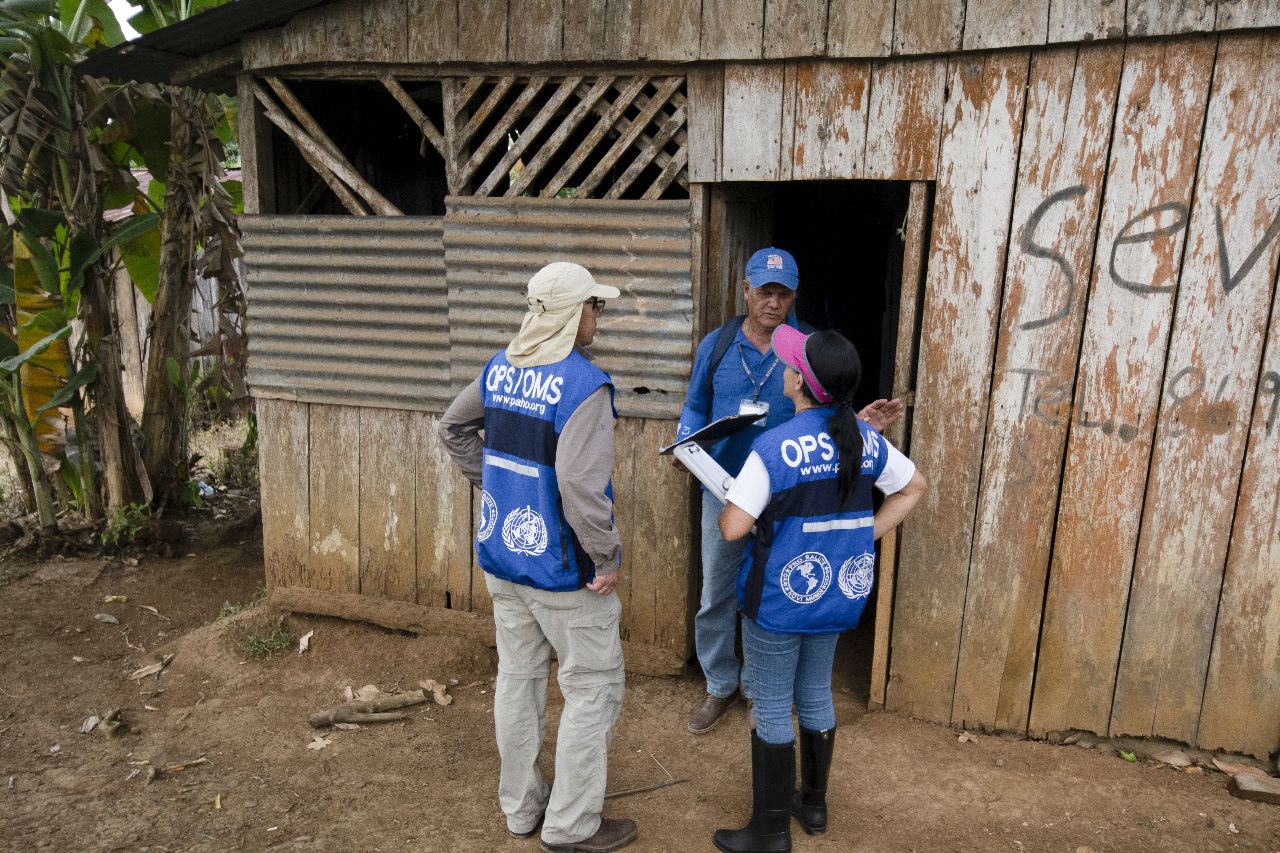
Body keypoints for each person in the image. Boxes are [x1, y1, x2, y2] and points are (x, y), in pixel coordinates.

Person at [439, 261, 637, 853]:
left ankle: (521, 809)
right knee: (593, 686)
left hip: (503, 557)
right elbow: (579, 487)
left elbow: (452, 428)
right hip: (561, 571)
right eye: (595, 307)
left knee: (518, 679)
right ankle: (572, 825)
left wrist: (501, 490)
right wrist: (605, 557)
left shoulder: (500, 369)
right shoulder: (583, 385)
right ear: (574, 315)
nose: (599, 316)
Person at [712, 326, 927, 853]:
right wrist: (862, 534)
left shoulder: (774, 447)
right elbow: (913, 487)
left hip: (779, 600)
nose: (785, 368)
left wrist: (731, 497)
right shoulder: (864, 438)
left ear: (799, 383)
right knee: (814, 692)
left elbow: (733, 528)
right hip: (836, 591)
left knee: (770, 700)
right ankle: (813, 806)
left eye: (790, 364)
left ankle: (768, 831)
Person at [674, 247, 903, 735]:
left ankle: (762, 692)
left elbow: (830, 410)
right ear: (745, 290)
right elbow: (695, 405)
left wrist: (859, 425)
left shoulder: (807, 349)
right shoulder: (716, 345)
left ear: (794, 295)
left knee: (770, 597)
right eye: (764, 291)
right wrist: (686, 444)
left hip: (789, 500)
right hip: (726, 490)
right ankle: (719, 684)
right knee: (716, 592)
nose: (772, 302)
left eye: (782, 293)